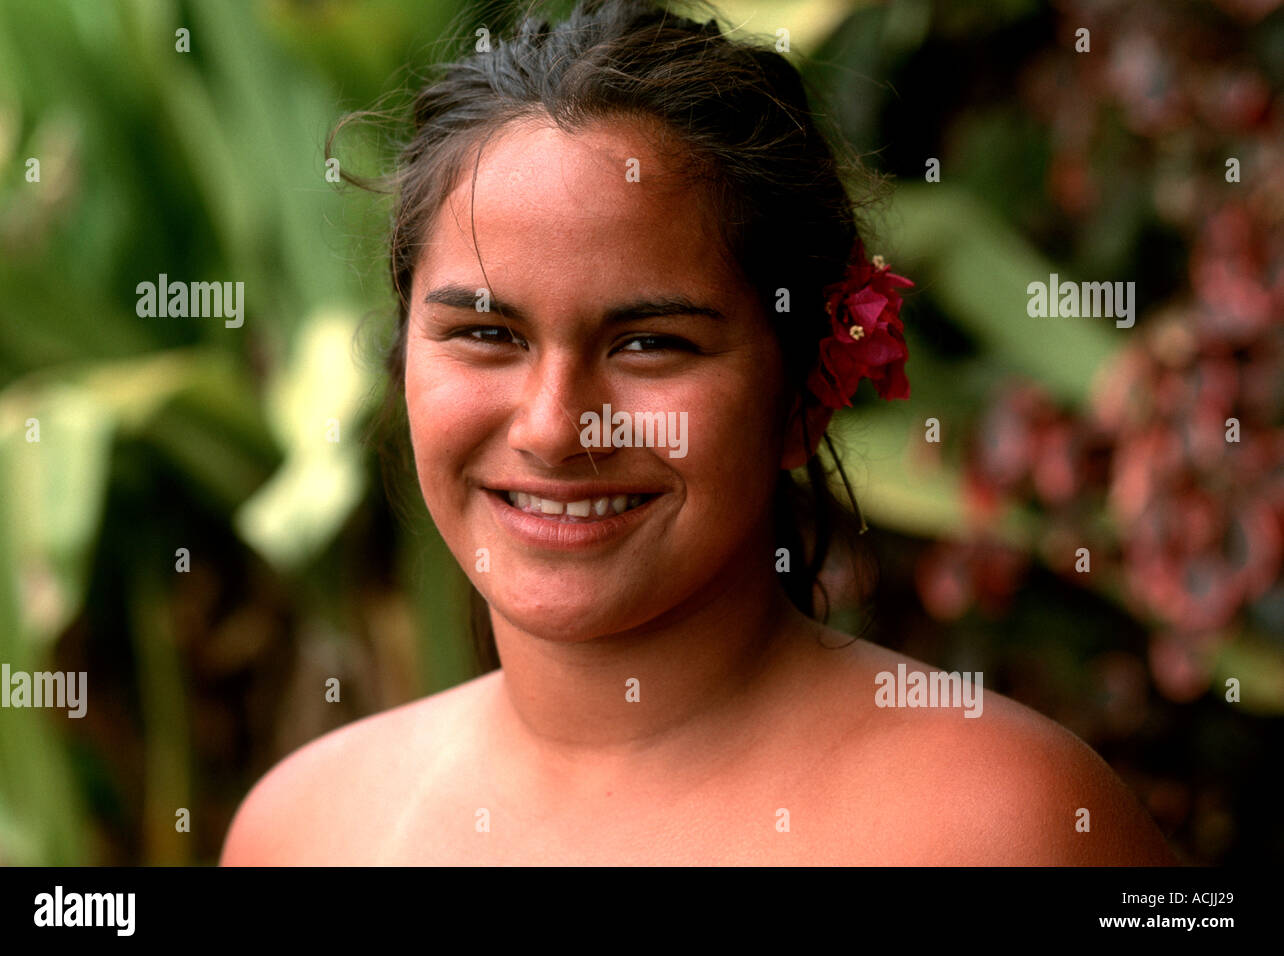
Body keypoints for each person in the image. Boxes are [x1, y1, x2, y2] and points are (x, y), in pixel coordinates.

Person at [221, 0, 1177, 865]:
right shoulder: (308, 828)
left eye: (649, 344)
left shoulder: (1006, 826)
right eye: (485, 334)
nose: (557, 426)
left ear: (804, 386)